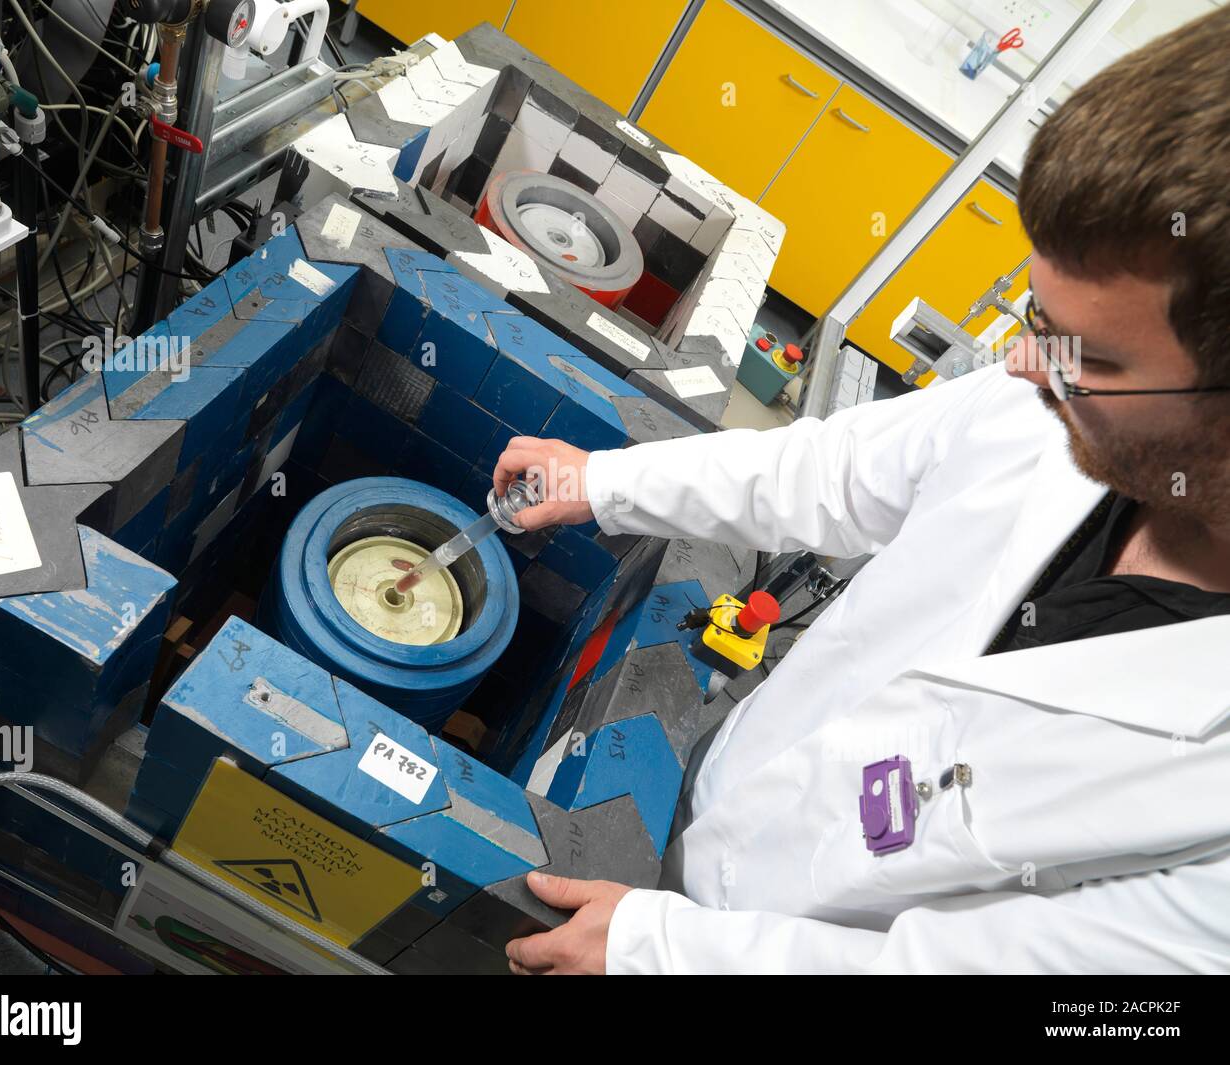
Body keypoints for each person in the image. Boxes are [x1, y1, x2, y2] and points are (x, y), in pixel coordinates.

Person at [490, 6, 1230, 974]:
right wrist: (604, 482)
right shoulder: (1043, 406)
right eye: (1030, 313)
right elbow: (828, 474)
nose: (1017, 364)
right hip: (718, 788)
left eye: (1082, 355)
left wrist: (660, 952)